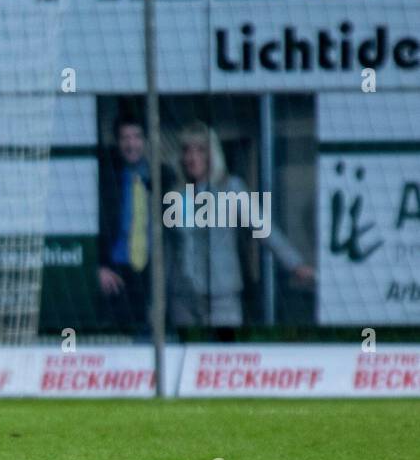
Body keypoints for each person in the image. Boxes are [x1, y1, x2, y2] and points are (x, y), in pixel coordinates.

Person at [167, 121, 314, 328]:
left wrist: (295, 264)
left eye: (200, 150)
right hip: (183, 295)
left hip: (222, 294)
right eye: (187, 151)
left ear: (212, 154)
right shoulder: (175, 194)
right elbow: (167, 246)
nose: (192, 158)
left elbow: (262, 227)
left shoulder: (231, 188)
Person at [97, 114, 169, 332]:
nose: (131, 144)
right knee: (115, 336)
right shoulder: (105, 177)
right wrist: (98, 265)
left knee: (149, 334)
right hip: (115, 272)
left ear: (146, 140)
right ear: (117, 142)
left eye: (136, 137)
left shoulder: (162, 177)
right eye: (125, 138)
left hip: (150, 271)